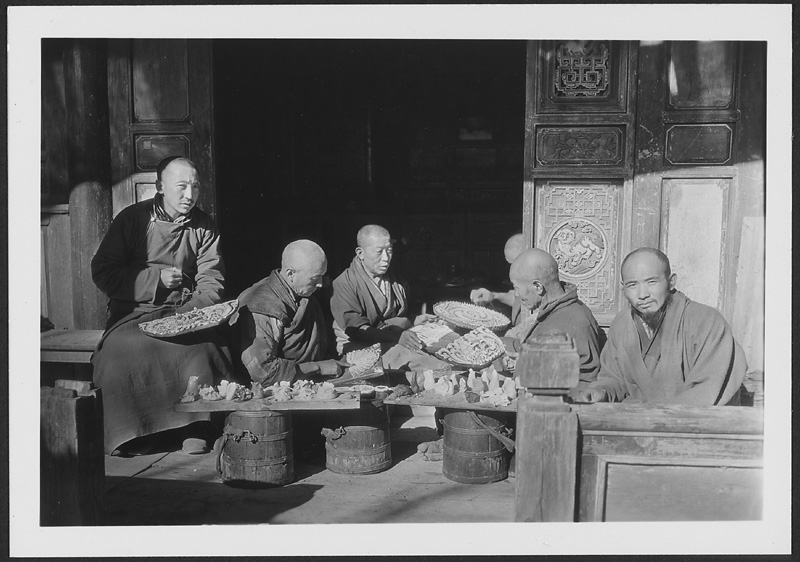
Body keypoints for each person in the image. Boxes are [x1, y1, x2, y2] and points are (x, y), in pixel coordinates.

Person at [91, 156, 233, 456]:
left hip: (184, 309)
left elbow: (212, 280)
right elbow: (103, 271)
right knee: (119, 354)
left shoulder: (204, 226)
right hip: (135, 311)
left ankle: (195, 427)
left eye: (195, 186)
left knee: (203, 348)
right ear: (160, 187)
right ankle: (136, 433)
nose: (189, 195)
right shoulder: (132, 219)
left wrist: (188, 315)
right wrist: (154, 279)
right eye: (181, 187)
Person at [576, 248, 747, 405]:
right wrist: (600, 391)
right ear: (623, 288)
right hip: (634, 426)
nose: (642, 295)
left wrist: (652, 416)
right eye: (632, 285)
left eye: (651, 282)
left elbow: (708, 389)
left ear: (671, 282)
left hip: (690, 427)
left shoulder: (705, 321)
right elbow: (613, 378)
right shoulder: (621, 324)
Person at [330, 225, 449, 371]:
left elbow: (397, 317)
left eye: (389, 251)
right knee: (423, 361)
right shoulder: (344, 283)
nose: (386, 258)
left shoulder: (394, 277)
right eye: (379, 252)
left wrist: (415, 320)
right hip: (360, 346)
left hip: (393, 337)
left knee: (447, 341)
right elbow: (357, 331)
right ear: (360, 253)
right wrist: (396, 337)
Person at [231, 239, 344, 385]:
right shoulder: (260, 307)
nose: (321, 283)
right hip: (269, 392)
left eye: (322, 275)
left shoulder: (304, 295)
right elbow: (264, 372)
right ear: (291, 273)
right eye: (315, 277)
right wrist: (318, 367)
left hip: (308, 382)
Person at [506, 248, 604, 388]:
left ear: (538, 287)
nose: (517, 294)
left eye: (517, 287)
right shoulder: (552, 312)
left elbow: (585, 382)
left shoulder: (575, 322)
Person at [469, 233, 531, 330]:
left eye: (516, 264)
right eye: (510, 264)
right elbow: (518, 299)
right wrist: (493, 296)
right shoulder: (522, 276)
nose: (513, 269)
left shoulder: (540, 280)